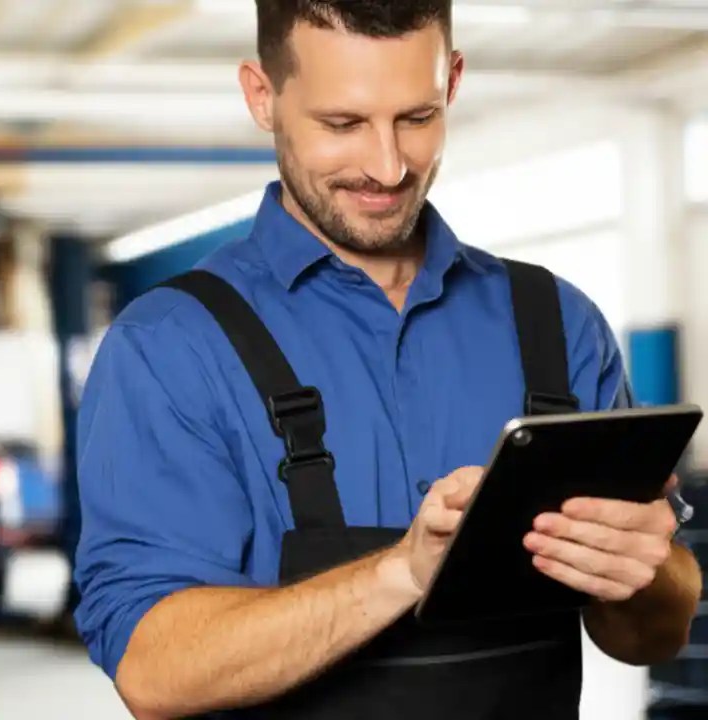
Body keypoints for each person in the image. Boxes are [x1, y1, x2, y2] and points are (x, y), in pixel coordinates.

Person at [71, 2, 703, 719]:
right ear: (261, 96)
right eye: (342, 125)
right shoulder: (170, 346)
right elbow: (154, 672)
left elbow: (654, 631)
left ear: (453, 81)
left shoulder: (559, 324)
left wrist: (641, 576)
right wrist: (402, 572)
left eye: (416, 117)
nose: (387, 165)